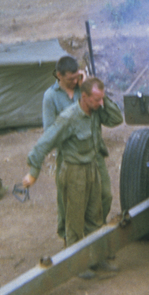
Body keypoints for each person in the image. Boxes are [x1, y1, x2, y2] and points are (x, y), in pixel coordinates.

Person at [23, 77, 123, 278]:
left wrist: (104, 100)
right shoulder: (69, 118)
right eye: (96, 100)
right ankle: (78, 264)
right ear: (84, 97)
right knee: (75, 221)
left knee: (95, 217)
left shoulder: (96, 112)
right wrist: (33, 172)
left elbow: (116, 118)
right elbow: (45, 141)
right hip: (74, 171)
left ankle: (97, 258)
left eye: (101, 100)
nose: (100, 104)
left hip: (92, 167)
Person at [43, 56, 116, 243]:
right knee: (70, 206)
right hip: (71, 159)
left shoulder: (85, 89)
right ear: (59, 76)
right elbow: (50, 132)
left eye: (77, 77)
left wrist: (92, 88)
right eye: (70, 79)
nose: (75, 82)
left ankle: (93, 238)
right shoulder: (51, 97)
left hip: (94, 156)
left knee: (104, 196)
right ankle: (73, 245)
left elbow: (115, 119)